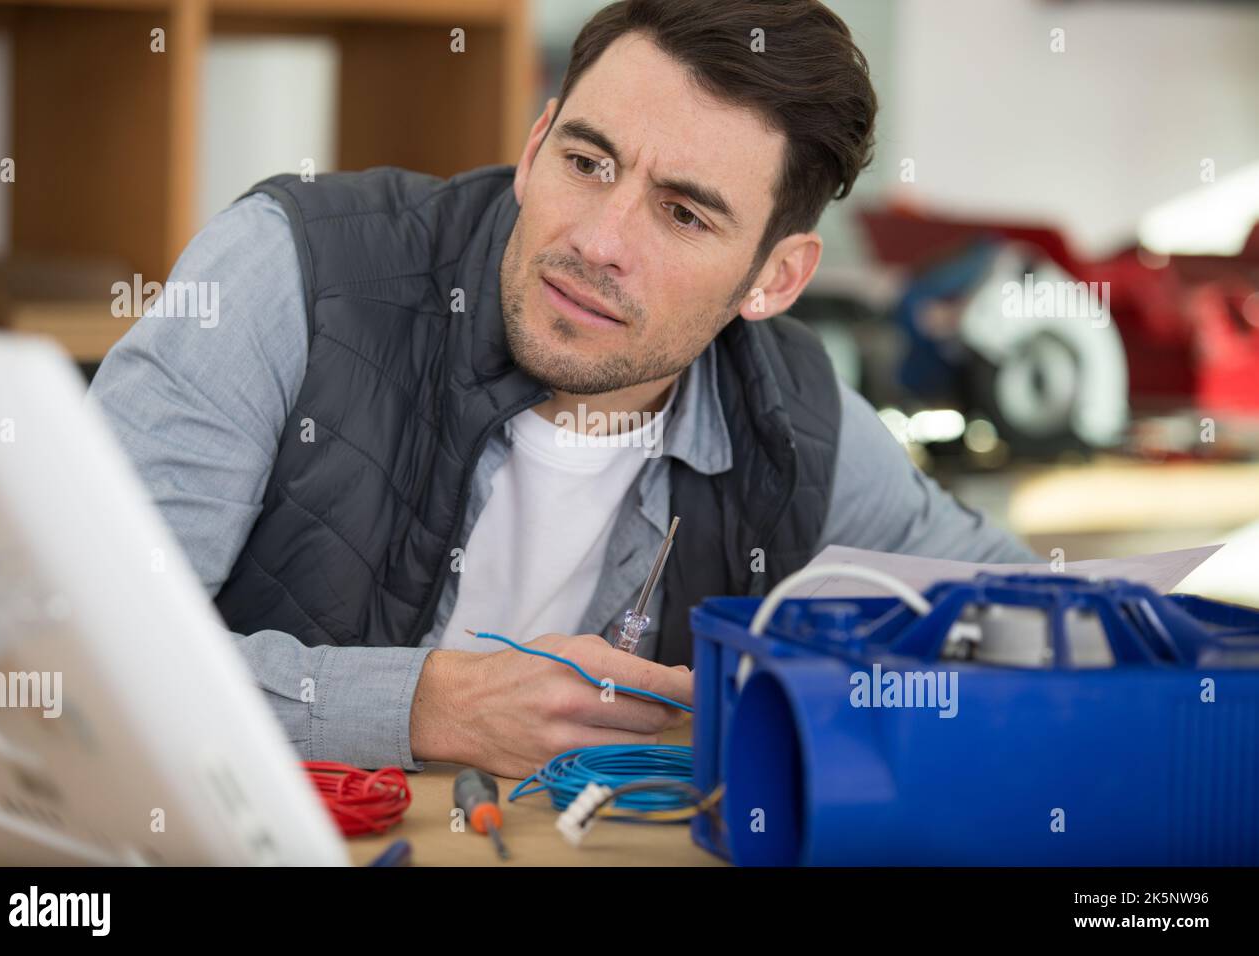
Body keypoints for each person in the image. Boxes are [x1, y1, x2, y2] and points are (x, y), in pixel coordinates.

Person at [89, 0, 1035, 777]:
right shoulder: (286, 275)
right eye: (588, 163)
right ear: (536, 145)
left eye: (683, 213)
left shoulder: (796, 415)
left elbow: (1029, 621)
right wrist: (417, 708)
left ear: (775, 280)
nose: (598, 240)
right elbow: (46, 664)